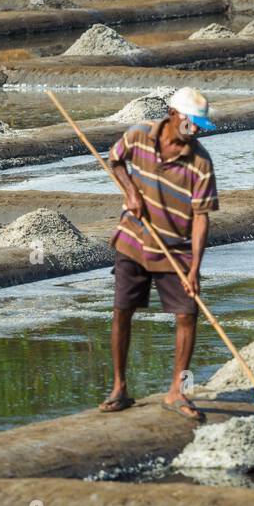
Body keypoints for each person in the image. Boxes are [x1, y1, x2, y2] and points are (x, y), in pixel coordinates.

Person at [99, 87, 218, 420]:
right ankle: (120, 387)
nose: (194, 131)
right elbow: (115, 159)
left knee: (187, 314)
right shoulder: (138, 136)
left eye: (199, 126)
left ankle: (177, 390)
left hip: (176, 248)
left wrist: (195, 268)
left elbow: (201, 218)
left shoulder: (200, 162)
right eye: (190, 123)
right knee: (122, 309)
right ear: (172, 114)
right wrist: (130, 191)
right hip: (134, 241)